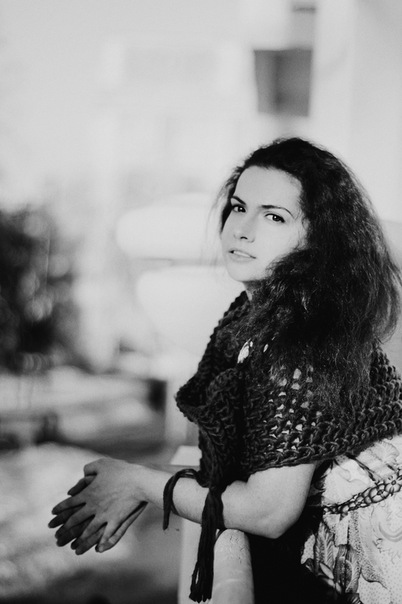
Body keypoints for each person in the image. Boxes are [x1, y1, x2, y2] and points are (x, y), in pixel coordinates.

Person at [49, 137, 402, 604]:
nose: (243, 229)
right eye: (239, 207)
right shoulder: (255, 321)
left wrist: (139, 483)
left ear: (319, 239)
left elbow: (269, 510)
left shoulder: (304, 341)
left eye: (275, 217)